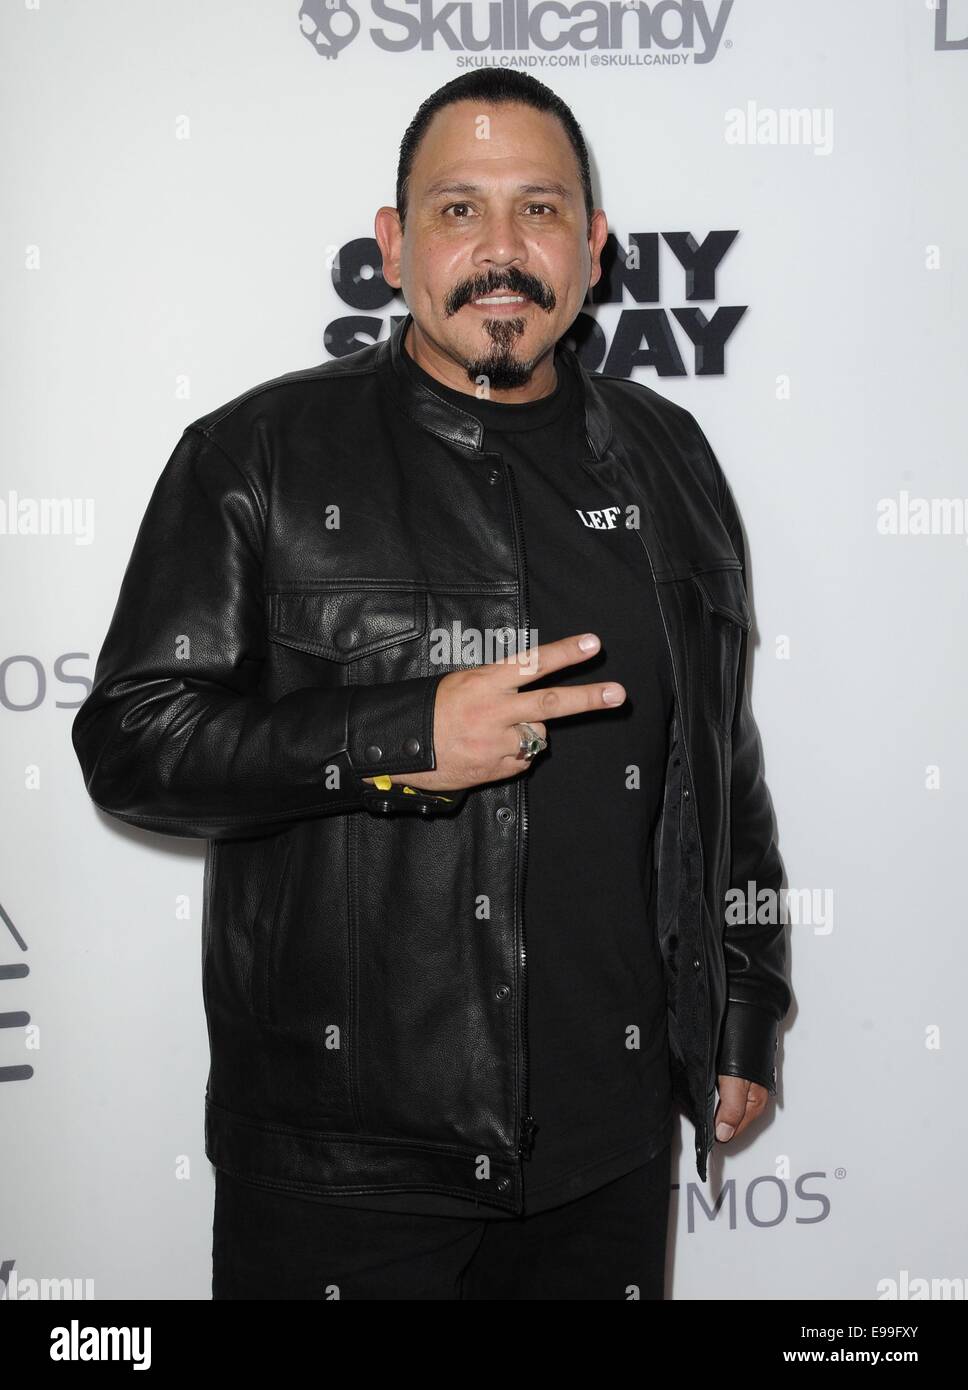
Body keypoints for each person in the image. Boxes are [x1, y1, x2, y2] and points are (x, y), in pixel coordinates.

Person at [72, 69, 791, 1300]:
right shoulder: (257, 456)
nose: (500, 252)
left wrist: (738, 1011)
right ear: (393, 245)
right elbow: (135, 744)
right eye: (458, 211)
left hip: (608, 1146)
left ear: (594, 245)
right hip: (345, 1171)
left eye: (539, 210)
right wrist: (399, 734)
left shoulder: (670, 455)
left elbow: (718, 757)